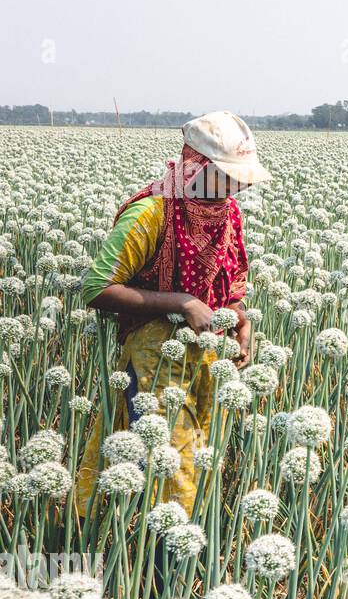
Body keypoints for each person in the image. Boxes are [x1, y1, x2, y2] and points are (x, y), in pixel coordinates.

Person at [75, 110, 268, 516]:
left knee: (199, 459)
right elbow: (97, 288)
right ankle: (156, 567)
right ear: (196, 166)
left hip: (207, 357)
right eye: (230, 175)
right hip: (153, 363)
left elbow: (227, 284)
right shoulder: (150, 212)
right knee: (170, 468)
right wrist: (181, 302)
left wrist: (238, 316)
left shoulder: (226, 211)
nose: (240, 186)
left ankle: (175, 564)